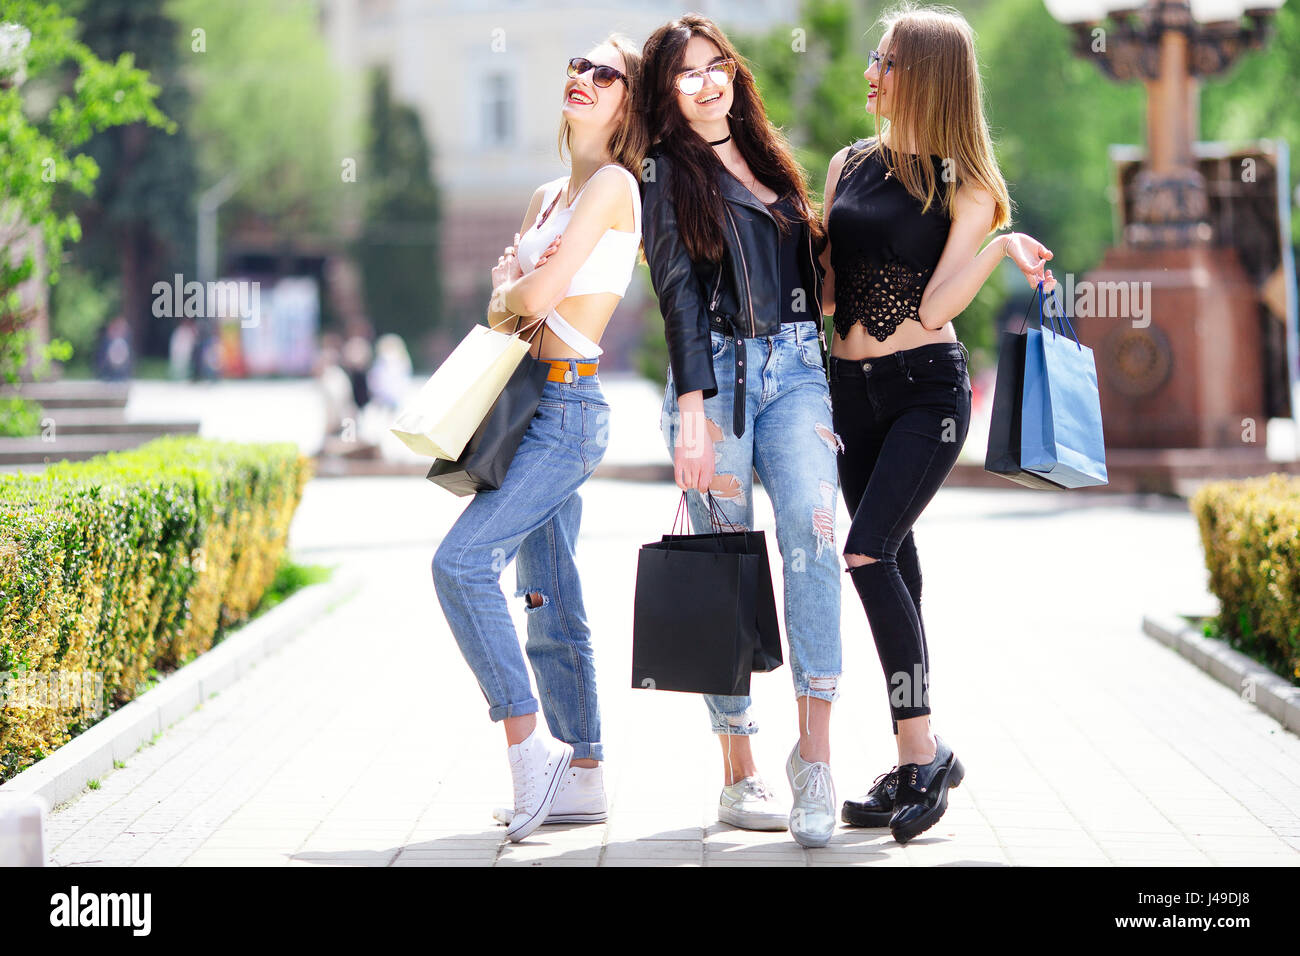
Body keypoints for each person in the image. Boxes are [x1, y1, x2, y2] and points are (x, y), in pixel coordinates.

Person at [820, 3, 1056, 844]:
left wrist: (997, 247)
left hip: (926, 390)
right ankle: (917, 754)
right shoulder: (847, 163)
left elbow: (934, 303)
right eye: (873, 59)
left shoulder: (968, 184)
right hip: (850, 397)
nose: (870, 74)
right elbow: (825, 289)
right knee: (897, 574)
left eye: (885, 61)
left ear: (924, 73)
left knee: (866, 552)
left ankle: (923, 756)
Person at [431, 35, 647, 843]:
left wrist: (513, 286)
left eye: (604, 73)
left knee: (459, 563)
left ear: (628, 101)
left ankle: (530, 753)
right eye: (576, 66)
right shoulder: (548, 196)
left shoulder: (617, 186)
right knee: (550, 594)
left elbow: (535, 293)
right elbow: (510, 305)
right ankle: (584, 772)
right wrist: (510, 289)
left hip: (570, 415)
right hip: (526, 409)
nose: (582, 78)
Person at [640, 14, 843, 848]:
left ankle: (818, 762)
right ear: (666, 91)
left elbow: (816, 285)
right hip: (715, 380)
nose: (708, 80)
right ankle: (737, 772)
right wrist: (692, 408)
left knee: (814, 538)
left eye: (716, 64)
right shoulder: (661, 172)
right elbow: (678, 292)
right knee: (727, 560)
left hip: (797, 370)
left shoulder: (767, 159)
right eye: (687, 73)